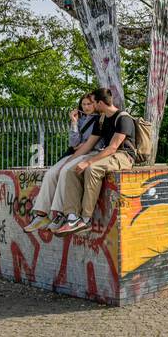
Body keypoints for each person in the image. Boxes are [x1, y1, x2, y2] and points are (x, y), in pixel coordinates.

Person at [51, 88, 136, 236]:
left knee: (92, 169)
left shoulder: (123, 118)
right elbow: (88, 145)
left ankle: (85, 219)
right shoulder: (102, 119)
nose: (92, 105)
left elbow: (113, 147)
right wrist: (69, 161)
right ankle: (72, 216)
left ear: (100, 103)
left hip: (123, 155)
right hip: (109, 154)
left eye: (94, 102)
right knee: (72, 170)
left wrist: (88, 162)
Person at [21, 93, 103, 233]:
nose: (86, 107)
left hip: (91, 153)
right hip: (76, 152)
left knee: (66, 172)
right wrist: (74, 123)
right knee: (51, 173)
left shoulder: (101, 120)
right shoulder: (81, 119)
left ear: (95, 104)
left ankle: (60, 213)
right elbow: (73, 143)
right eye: (83, 104)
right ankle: (41, 215)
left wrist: (82, 145)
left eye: (89, 104)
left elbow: (93, 143)